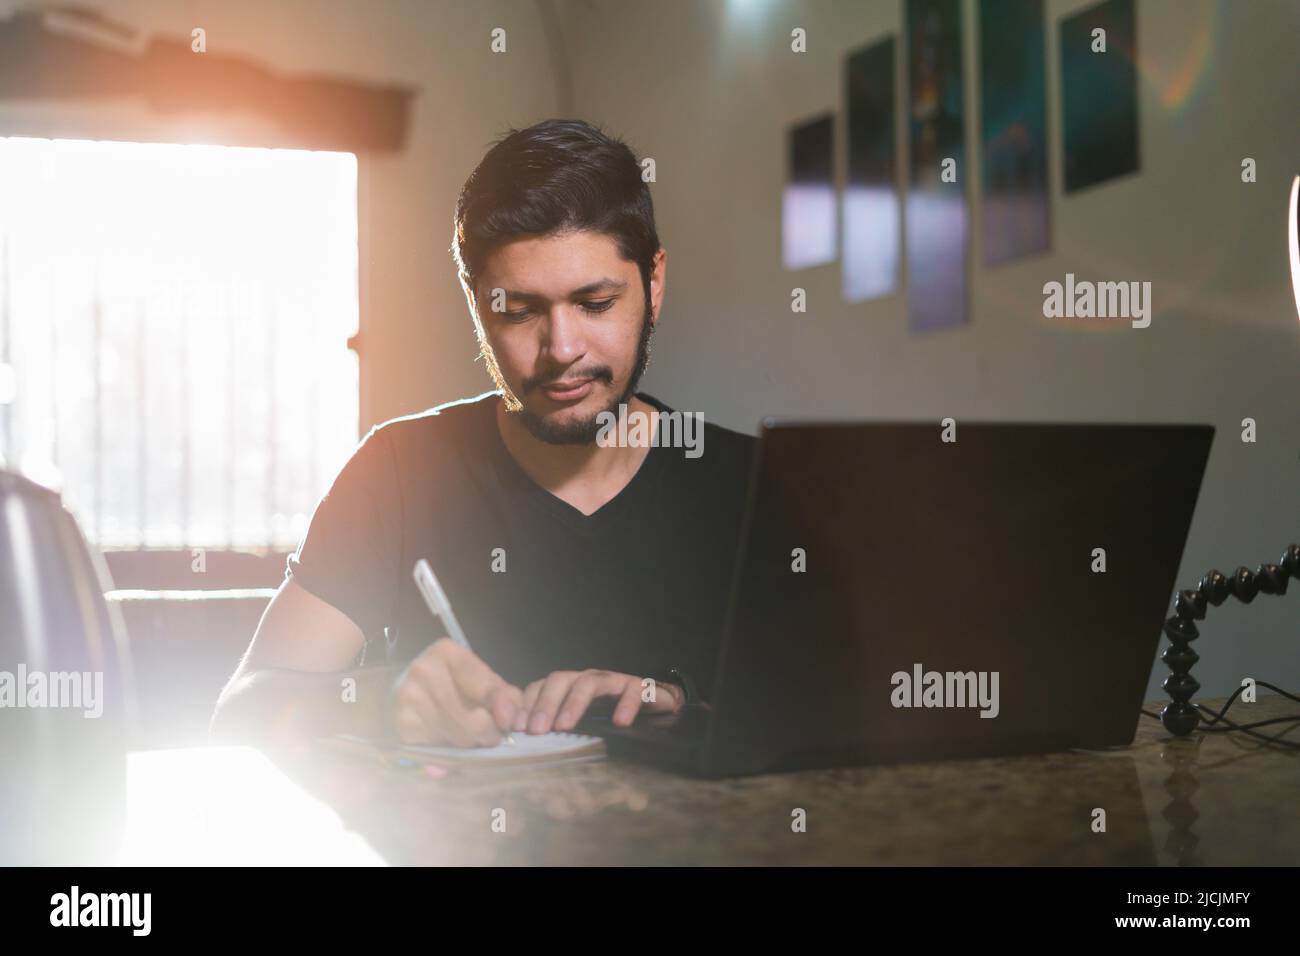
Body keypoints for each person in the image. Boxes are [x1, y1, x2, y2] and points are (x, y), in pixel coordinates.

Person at [212, 119, 755, 748]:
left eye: (595, 303)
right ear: (477, 307)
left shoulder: (749, 485)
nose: (563, 349)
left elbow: (843, 717)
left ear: (653, 285)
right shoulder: (398, 471)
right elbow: (239, 714)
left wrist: (681, 705)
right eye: (520, 311)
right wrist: (377, 700)